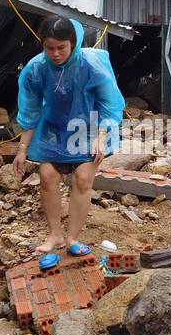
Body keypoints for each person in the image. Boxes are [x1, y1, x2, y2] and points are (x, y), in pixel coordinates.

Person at [13, 17, 124, 255]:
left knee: (83, 178)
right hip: (53, 129)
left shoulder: (91, 64)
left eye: (61, 48)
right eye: (49, 48)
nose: (55, 54)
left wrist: (101, 136)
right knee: (47, 175)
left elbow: (110, 103)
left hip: (89, 128)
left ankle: (73, 238)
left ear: (73, 43)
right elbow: (30, 111)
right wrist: (22, 150)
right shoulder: (36, 69)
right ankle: (55, 235)